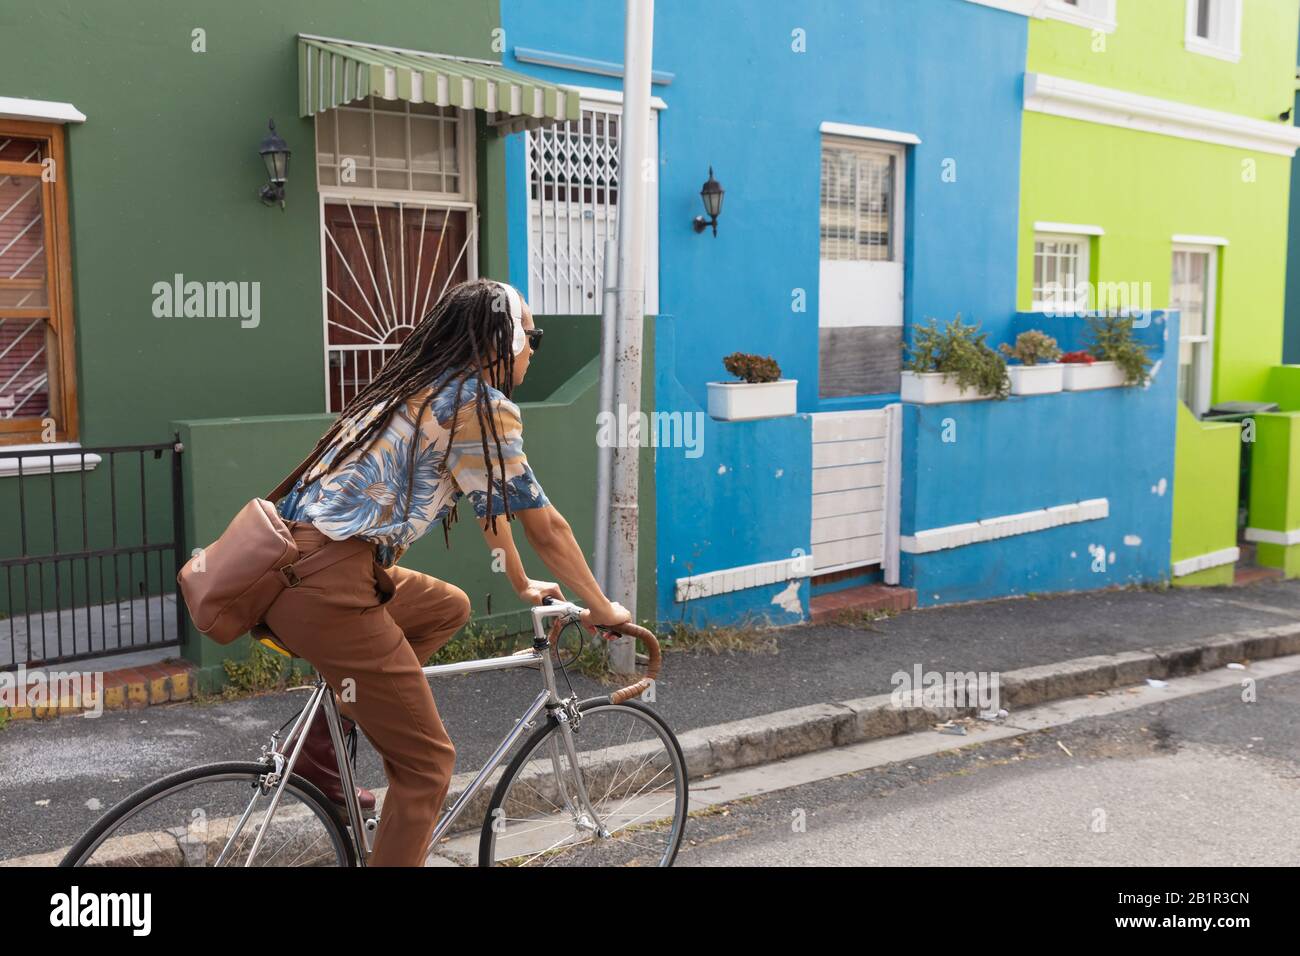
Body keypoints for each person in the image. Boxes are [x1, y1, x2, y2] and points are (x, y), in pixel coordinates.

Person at [261, 277, 631, 866]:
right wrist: (603, 607)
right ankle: (335, 741)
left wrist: (521, 583)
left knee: (445, 607)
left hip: (291, 568)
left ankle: (323, 743)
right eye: (531, 336)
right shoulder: (477, 406)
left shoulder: (413, 386)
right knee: (428, 768)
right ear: (503, 341)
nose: (534, 349)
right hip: (331, 585)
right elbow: (547, 528)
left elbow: (493, 504)